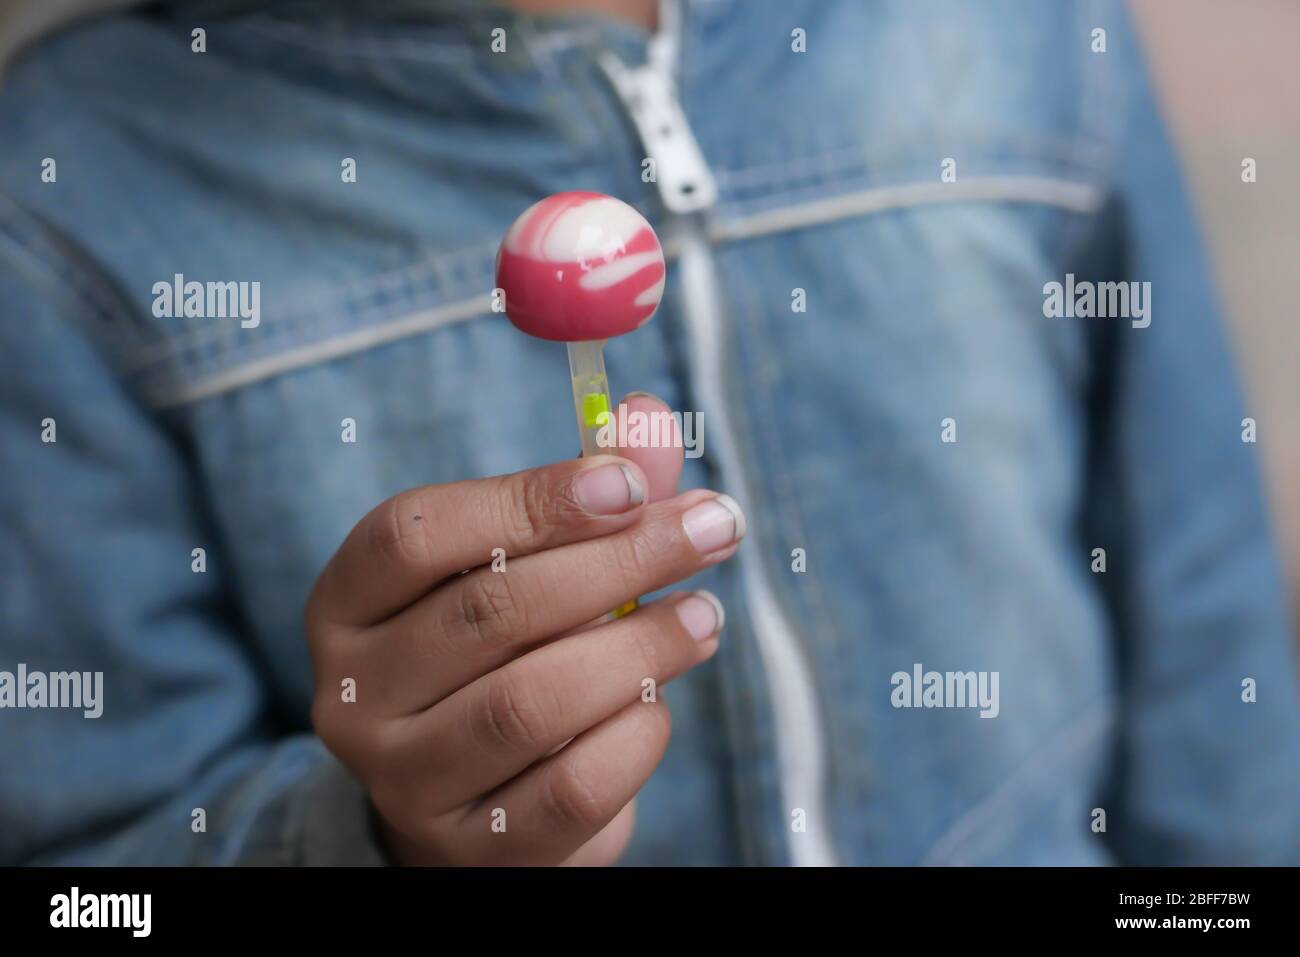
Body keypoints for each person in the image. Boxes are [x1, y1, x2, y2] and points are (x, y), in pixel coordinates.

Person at [1, 0, 1297, 866]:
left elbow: (1211, 622)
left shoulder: (1024, 27)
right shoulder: (67, 193)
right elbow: (88, 861)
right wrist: (372, 837)